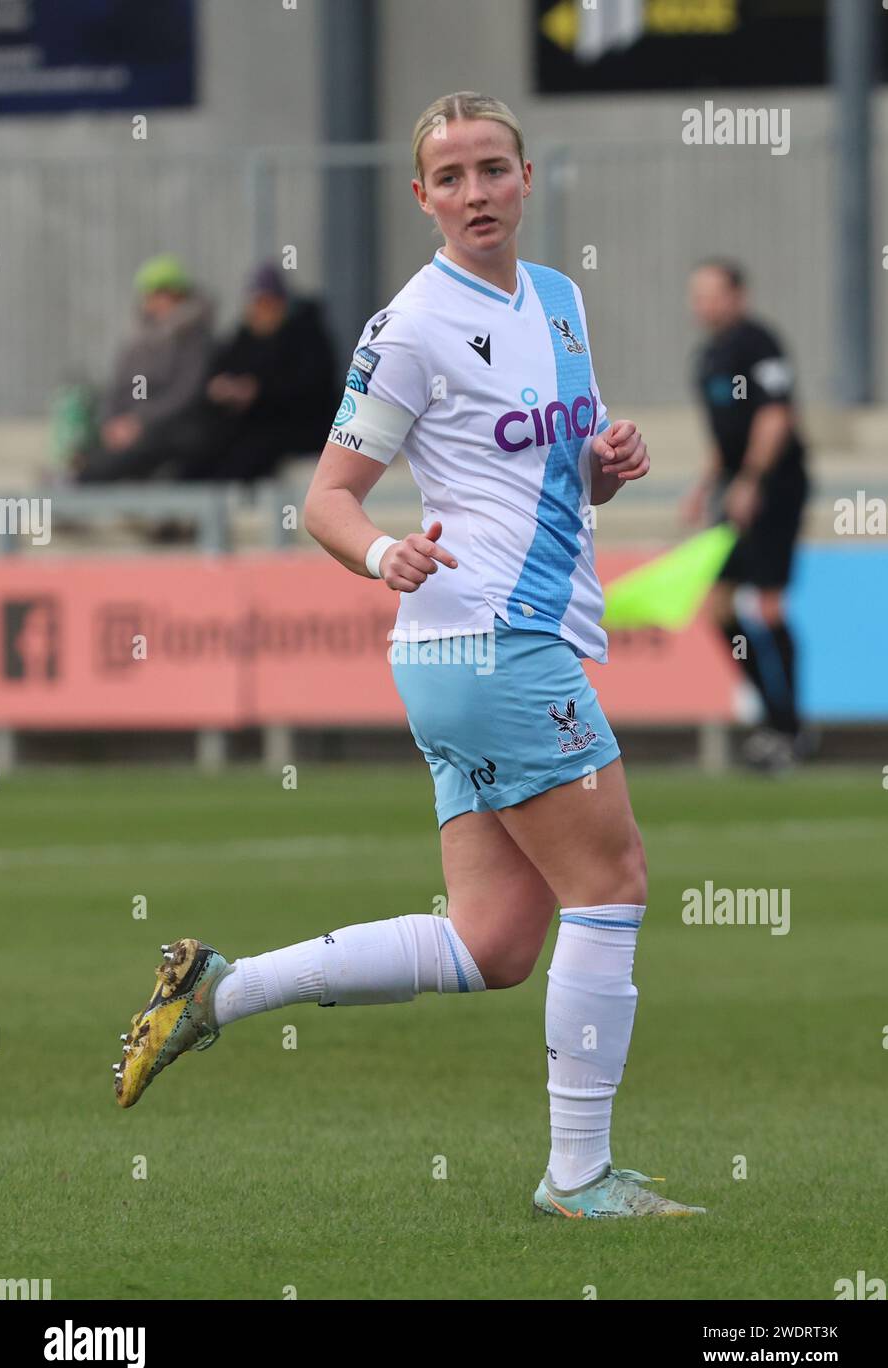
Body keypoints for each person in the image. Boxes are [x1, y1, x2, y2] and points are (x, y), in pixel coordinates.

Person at [112, 93, 705, 1221]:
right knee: (614, 879)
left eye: (494, 169)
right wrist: (382, 549)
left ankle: (221, 990)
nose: (477, 192)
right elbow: (325, 498)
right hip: (489, 637)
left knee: (491, 943)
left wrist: (605, 465)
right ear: (423, 195)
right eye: (453, 176)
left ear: (528, 179)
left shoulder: (562, 299)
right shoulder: (413, 324)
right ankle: (578, 1178)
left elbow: (542, 468)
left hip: (489, 645)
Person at [684, 260, 811, 772]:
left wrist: (753, 481)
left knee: (769, 607)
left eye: (713, 294)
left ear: (738, 294)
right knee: (718, 608)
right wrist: (705, 487)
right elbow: (725, 435)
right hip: (737, 490)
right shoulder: (708, 356)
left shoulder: (759, 342)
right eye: (698, 295)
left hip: (774, 488)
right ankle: (774, 718)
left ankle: (791, 728)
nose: (704, 305)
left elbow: (775, 414)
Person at [171, 263, 338, 482]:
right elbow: (220, 371)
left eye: (267, 302)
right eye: (256, 302)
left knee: (245, 456)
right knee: (197, 456)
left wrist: (258, 392)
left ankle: (219, 513)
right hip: (252, 423)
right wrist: (220, 388)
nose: (260, 310)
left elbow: (312, 388)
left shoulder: (307, 335)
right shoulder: (245, 336)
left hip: (296, 426)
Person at [74, 255, 213, 483]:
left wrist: (138, 421)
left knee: (111, 461)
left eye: (160, 293)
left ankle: (78, 484)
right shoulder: (139, 339)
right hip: (130, 428)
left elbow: (185, 394)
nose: (153, 302)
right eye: (149, 294)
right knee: (85, 445)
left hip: (170, 430)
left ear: (178, 295)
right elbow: (118, 388)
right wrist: (113, 422)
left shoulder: (194, 339)